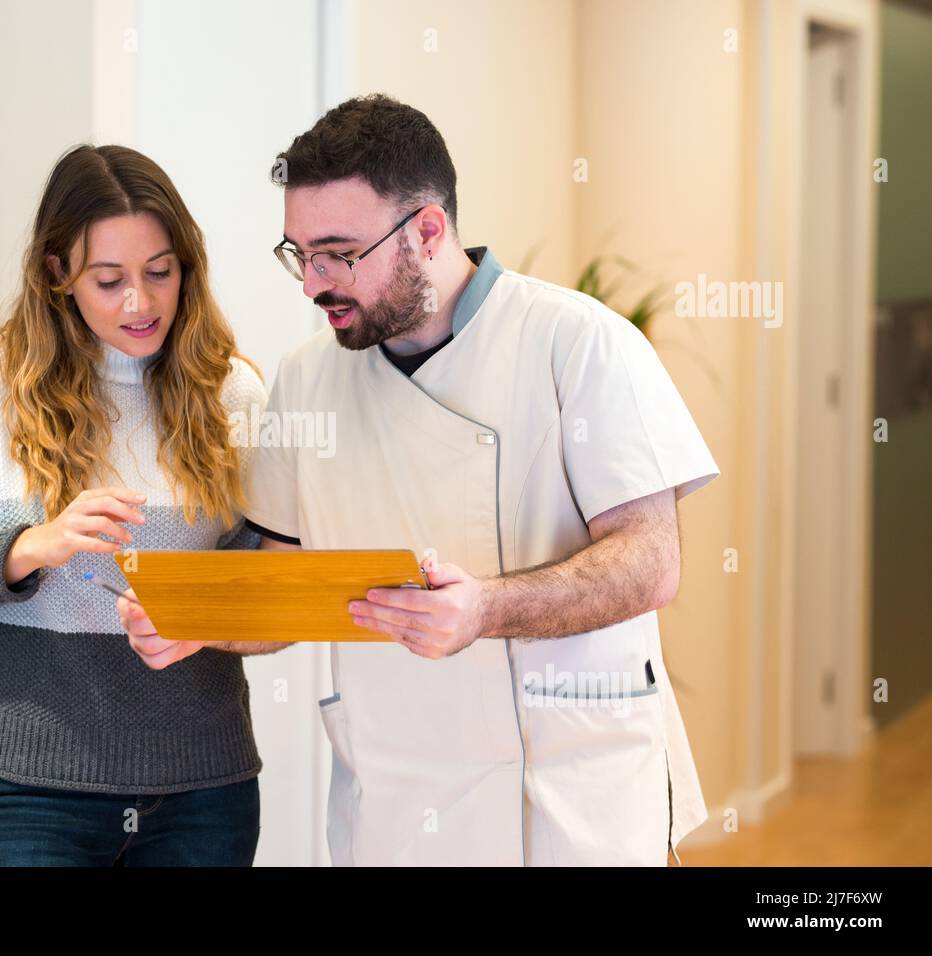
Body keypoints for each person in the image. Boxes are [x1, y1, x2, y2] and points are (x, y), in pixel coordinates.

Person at [118, 95, 719, 866]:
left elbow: (649, 560)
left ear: (428, 231)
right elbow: (286, 577)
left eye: (338, 254)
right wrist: (197, 618)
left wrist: (487, 608)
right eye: (300, 254)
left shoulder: (579, 343)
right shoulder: (308, 381)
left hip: (569, 797)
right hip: (403, 799)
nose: (313, 284)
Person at [0, 143, 268, 866]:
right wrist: (30, 547)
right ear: (57, 273)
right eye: (109, 279)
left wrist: (204, 620)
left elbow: (274, 593)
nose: (140, 302)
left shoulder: (234, 393)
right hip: (33, 797)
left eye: (160, 272)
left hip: (203, 799)